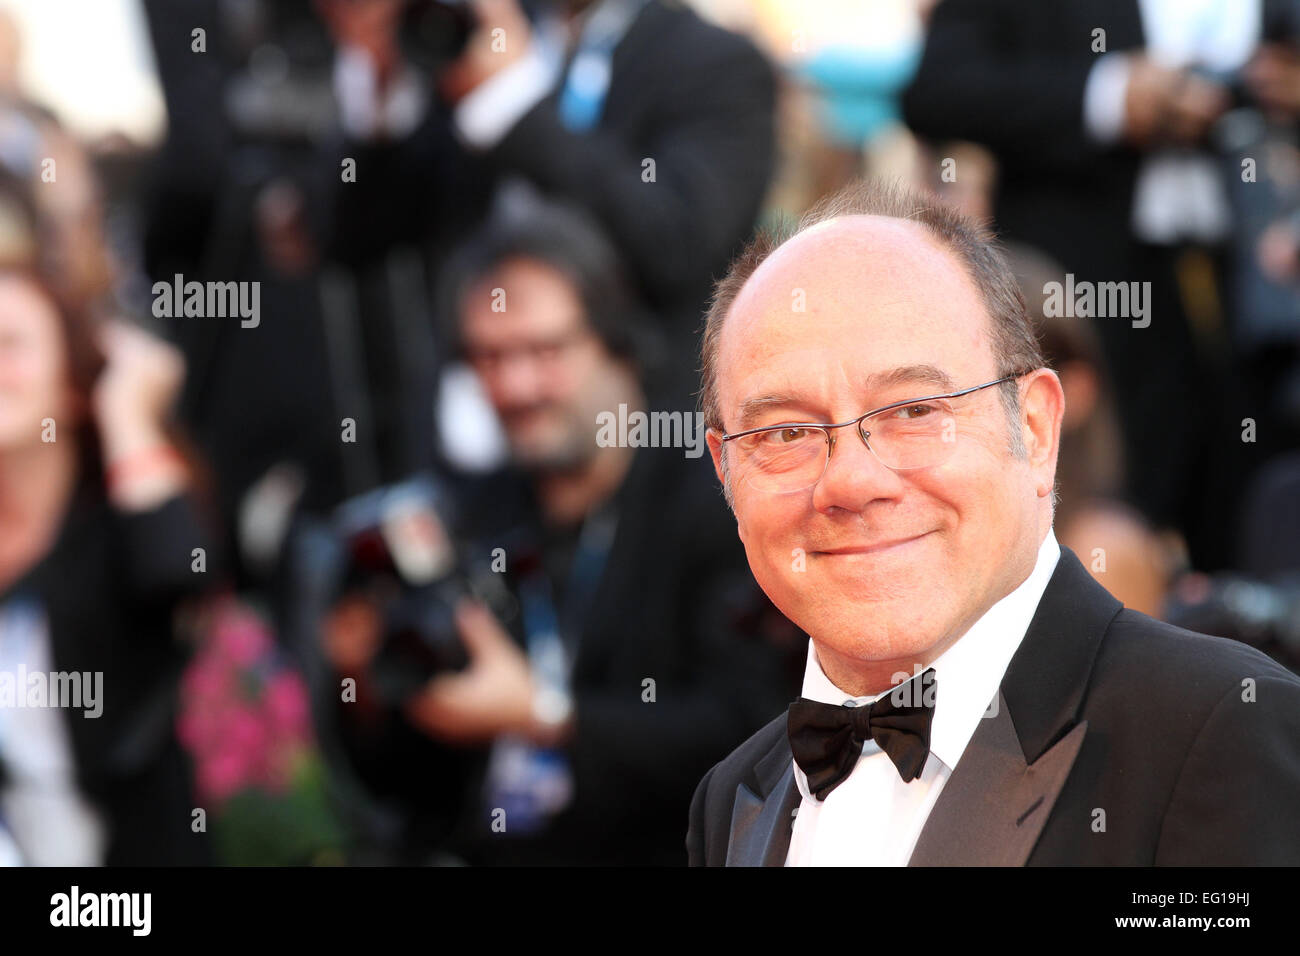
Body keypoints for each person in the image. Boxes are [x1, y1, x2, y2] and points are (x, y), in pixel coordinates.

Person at [686, 180, 1300, 866]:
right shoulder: (734, 797)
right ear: (724, 470)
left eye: (915, 411)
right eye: (786, 432)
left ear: (1035, 429)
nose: (851, 482)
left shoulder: (1217, 732)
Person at [319, 202, 797, 865]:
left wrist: (548, 716)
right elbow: (416, 784)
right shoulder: (473, 513)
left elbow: (755, 732)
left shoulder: (718, 505)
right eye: (488, 357)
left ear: (616, 340)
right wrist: (368, 688)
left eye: (545, 351)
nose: (515, 386)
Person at [0, 264, 215, 865]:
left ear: (70, 386)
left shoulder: (111, 531)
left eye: (11, 345)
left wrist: (127, 406)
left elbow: (182, 567)